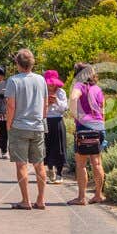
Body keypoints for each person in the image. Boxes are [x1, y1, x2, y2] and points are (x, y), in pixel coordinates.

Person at [4, 47, 48, 211]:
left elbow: (11, 106)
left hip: (19, 125)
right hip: (37, 125)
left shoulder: (14, 81)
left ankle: (25, 200)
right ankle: (41, 199)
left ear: (17, 63)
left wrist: (9, 124)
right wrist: (41, 119)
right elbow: (45, 104)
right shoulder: (41, 80)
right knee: (39, 164)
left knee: (21, 165)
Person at [70, 63, 106, 204]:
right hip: (99, 126)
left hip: (84, 127)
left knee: (81, 164)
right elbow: (103, 110)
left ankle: (81, 198)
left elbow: (73, 98)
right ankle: (98, 195)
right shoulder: (97, 89)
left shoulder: (79, 86)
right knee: (97, 162)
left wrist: (75, 115)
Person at [43, 69, 68, 184]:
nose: (51, 85)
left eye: (52, 83)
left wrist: (56, 101)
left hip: (58, 120)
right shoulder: (42, 92)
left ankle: (59, 173)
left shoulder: (61, 92)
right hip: (46, 120)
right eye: (49, 83)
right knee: (46, 146)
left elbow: (64, 108)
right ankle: (50, 169)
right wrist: (47, 103)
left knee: (59, 147)